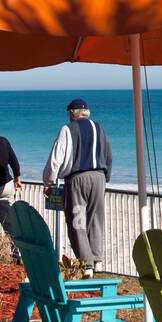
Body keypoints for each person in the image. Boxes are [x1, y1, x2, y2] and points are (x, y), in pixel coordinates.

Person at [43, 98, 112, 278]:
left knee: (77, 220)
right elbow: (108, 155)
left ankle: (86, 263)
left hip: (77, 177)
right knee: (96, 219)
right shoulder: (99, 128)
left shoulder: (67, 129)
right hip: (99, 177)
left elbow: (56, 159)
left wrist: (49, 182)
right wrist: (107, 177)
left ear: (72, 113)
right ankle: (97, 260)